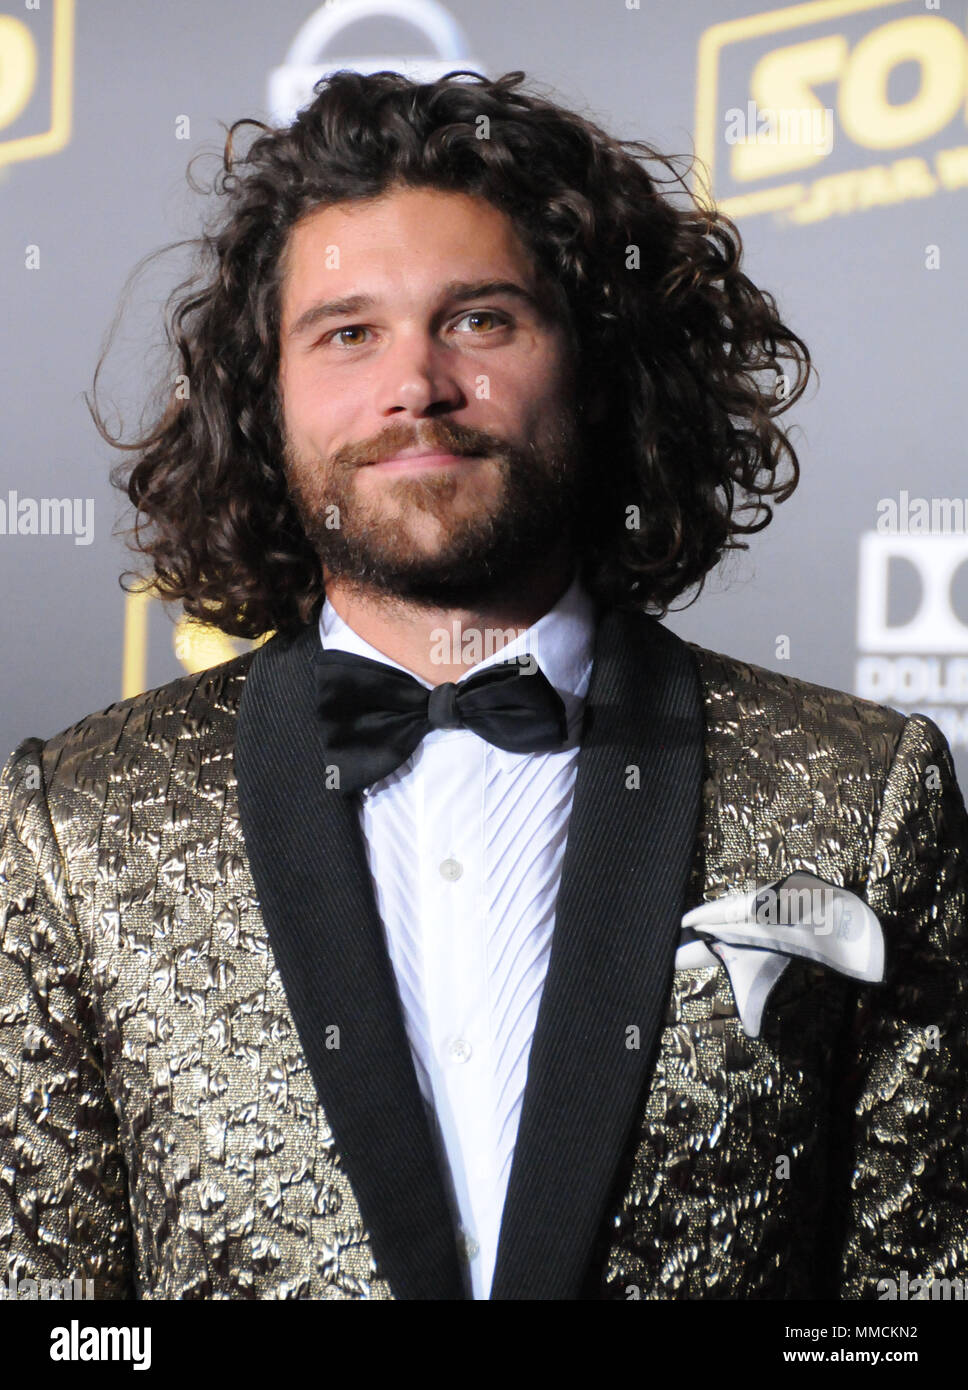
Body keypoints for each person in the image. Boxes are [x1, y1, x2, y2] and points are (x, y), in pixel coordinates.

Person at [1, 69, 965, 1302]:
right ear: (264, 397)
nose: (416, 385)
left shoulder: (859, 795)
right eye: (347, 333)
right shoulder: (75, 827)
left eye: (478, 320)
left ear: (598, 364)